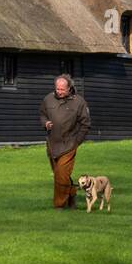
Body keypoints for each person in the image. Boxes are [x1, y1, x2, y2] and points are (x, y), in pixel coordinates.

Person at [40, 74, 91, 209]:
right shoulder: (48, 99)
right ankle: (72, 193)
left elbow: (85, 124)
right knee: (59, 175)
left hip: (69, 144)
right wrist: (45, 123)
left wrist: (77, 142)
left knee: (61, 174)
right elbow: (42, 114)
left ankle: (59, 205)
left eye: (62, 89)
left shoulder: (79, 102)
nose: (59, 92)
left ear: (69, 88)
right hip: (52, 144)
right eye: (57, 89)